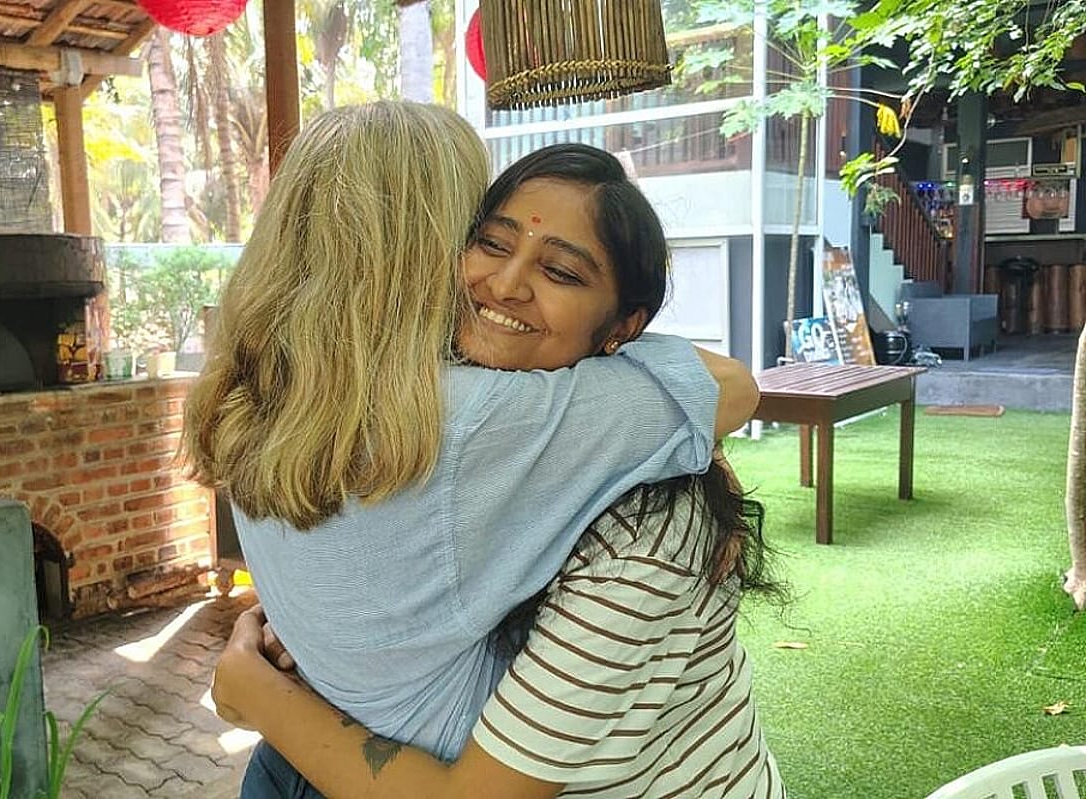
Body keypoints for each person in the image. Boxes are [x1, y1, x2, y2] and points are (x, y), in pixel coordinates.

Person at [182, 106, 760, 793]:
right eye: (484, 237)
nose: (506, 283)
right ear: (425, 250)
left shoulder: (242, 396)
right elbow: (731, 386)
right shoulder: (470, 422)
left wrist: (266, 681)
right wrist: (672, 410)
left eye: (561, 271)